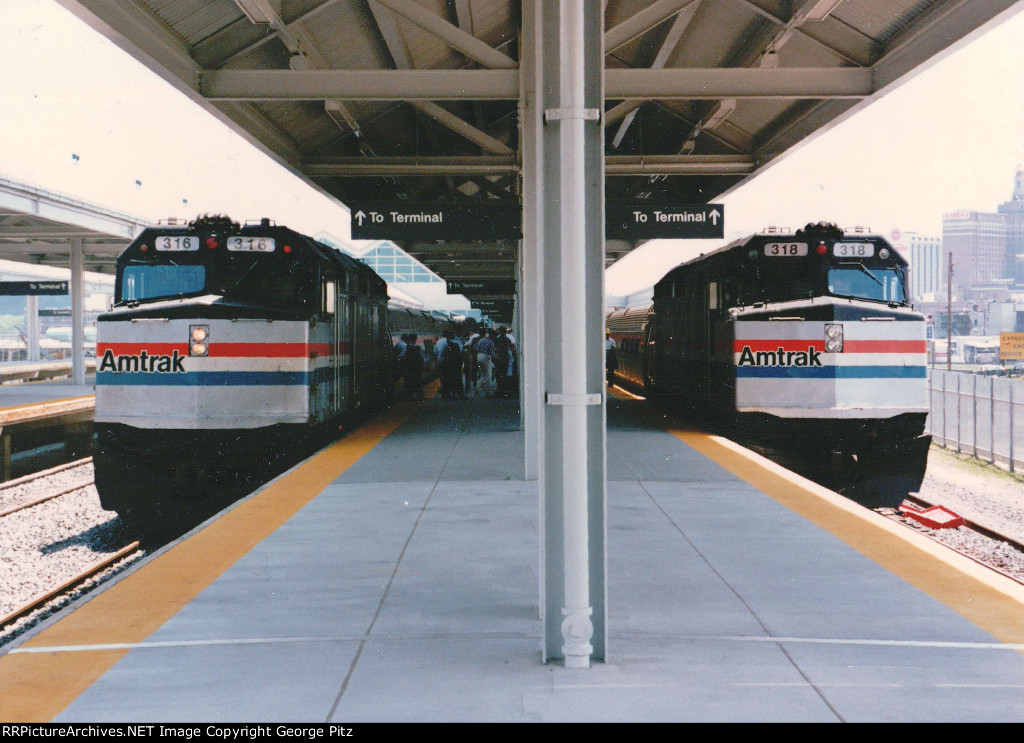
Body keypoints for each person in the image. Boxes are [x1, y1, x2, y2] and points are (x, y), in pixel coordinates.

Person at [403, 334, 424, 401]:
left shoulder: (406, 347)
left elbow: (403, 356)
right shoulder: (418, 348)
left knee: (409, 382)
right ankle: (420, 397)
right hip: (417, 367)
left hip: (409, 367)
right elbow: (421, 358)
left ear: (409, 339)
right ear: (416, 339)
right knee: (418, 382)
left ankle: (410, 397)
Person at [475, 329, 495, 397]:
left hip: (479, 356)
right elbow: (491, 353)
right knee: (488, 375)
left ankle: (479, 386)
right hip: (485, 357)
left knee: (483, 374)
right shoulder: (490, 342)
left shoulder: (481, 340)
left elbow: (476, 348)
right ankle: (485, 390)